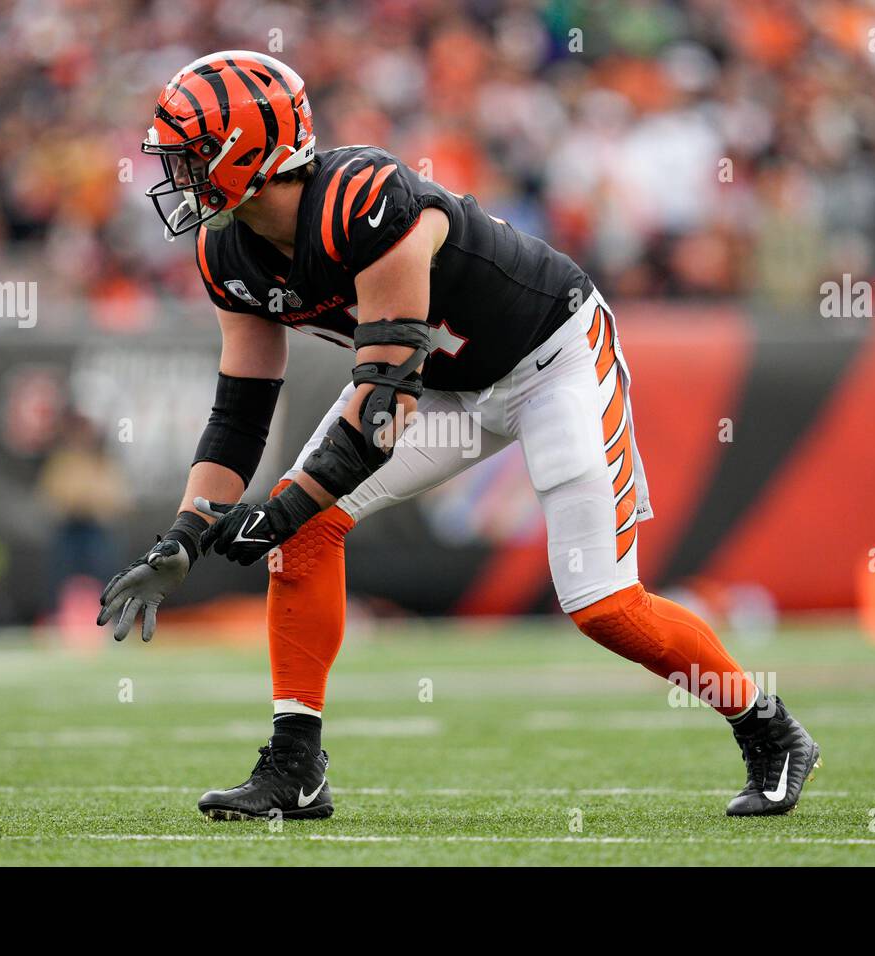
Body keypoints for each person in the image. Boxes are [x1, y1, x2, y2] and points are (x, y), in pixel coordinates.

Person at [98, 51, 819, 821]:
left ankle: (767, 726)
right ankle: (295, 769)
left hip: (553, 359)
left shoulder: (364, 202)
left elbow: (377, 416)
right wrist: (184, 532)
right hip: (444, 388)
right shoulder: (226, 253)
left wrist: (279, 511)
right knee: (304, 537)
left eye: (193, 151)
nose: (176, 171)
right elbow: (240, 411)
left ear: (250, 149)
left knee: (602, 603)